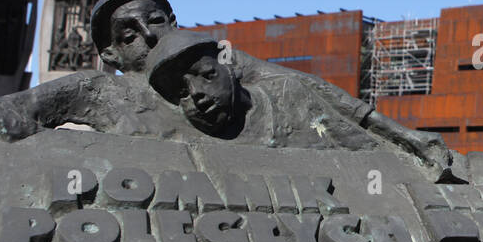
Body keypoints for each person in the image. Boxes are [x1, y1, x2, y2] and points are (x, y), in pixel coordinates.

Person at [0, 0, 454, 179]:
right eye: (129, 34)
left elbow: (312, 92)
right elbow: (25, 107)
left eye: (156, 20)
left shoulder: (220, 62)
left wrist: (405, 138)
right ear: (110, 54)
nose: (149, 36)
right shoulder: (104, 91)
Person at [146, 29, 382, 151]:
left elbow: (365, 150)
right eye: (181, 93)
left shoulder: (291, 95)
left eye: (208, 75)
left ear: (230, 68)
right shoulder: (183, 142)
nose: (196, 93)